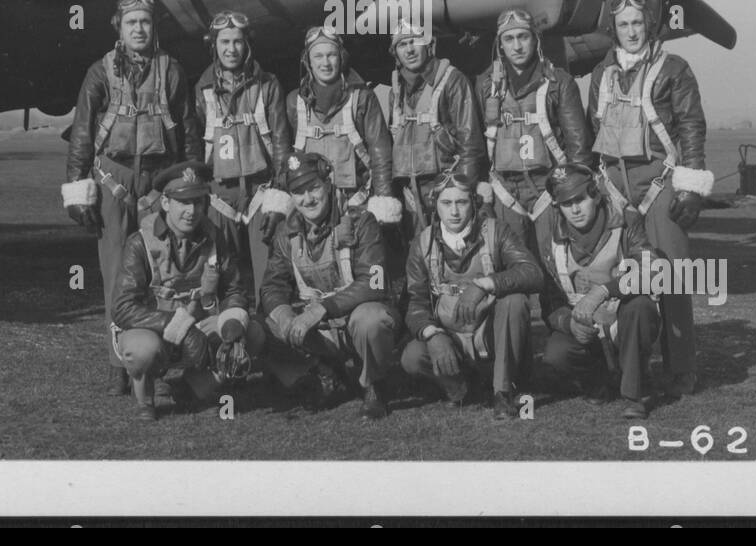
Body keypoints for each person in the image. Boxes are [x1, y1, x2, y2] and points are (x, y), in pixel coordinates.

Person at [61, 0, 200, 397]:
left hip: (159, 186)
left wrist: (189, 185)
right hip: (112, 182)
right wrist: (76, 189)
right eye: (131, 22)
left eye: (145, 21)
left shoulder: (171, 71)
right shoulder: (100, 72)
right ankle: (116, 362)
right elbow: (83, 133)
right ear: (119, 29)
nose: (139, 29)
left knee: (161, 276)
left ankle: (155, 358)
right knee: (116, 277)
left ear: (153, 27)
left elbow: (188, 132)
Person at [586, 0, 713, 396]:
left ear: (650, 25)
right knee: (611, 279)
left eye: (637, 23)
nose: (631, 31)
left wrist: (691, 186)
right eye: (623, 25)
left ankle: (681, 367)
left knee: (672, 275)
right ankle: (621, 367)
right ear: (614, 30)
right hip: (613, 186)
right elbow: (594, 130)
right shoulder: (600, 75)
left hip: (660, 181)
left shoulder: (674, 69)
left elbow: (691, 125)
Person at [112, 161, 263, 421]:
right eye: (183, 202)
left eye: (197, 202)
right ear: (166, 203)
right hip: (155, 329)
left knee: (253, 332)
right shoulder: (140, 243)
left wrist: (232, 324)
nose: (192, 211)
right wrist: (180, 327)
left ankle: (194, 386)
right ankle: (145, 398)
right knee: (142, 350)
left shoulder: (215, 238)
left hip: (200, 323)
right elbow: (123, 308)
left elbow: (234, 289)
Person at [258, 151, 399, 420]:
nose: (308, 199)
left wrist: (322, 308)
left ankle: (373, 385)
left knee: (371, 319)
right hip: (319, 330)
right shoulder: (285, 233)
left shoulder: (362, 221)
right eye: (298, 192)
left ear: (328, 184)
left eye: (314, 188)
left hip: (353, 321)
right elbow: (271, 287)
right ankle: (323, 370)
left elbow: (375, 282)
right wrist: (287, 318)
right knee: (265, 323)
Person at [400, 172, 544, 420]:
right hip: (452, 337)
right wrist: (431, 334)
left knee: (515, 301)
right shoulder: (422, 244)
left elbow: (532, 272)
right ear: (435, 206)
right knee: (412, 356)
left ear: (474, 203)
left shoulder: (496, 231)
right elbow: (416, 301)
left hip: (491, 336)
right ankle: (461, 389)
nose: (454, 211)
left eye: (462, 202)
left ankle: (503, 391)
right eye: (446, 203)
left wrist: (484, 284)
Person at [537, 163, 662, 419]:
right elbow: (549, 302)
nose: (574, 209)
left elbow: (655, 270)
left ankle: (635, 393)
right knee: (555, 355)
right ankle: (598, 381)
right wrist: (568, 323)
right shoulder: (550, 238)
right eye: (566, 203)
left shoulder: (626, 221)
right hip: (584, 324)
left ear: (594, 194)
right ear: (557, 206)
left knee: (640, 306)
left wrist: (604, 291)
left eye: (580, 199)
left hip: (621, 319)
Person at [475, 8, 592, 256]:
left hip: (549, 185)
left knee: (556, 261)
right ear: (500, 45)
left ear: (535, 39)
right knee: (512, 265)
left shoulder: (559, 82)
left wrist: (575, 190)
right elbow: (475, 140)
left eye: (523, 37)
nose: (517, 46)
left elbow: (577, 143)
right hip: (504, 188)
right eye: (509, 38)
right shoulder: (485, 85)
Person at [190, 10, 291, 295]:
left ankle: (269, 333)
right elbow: (196, 143)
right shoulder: (203, 89)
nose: (231, 49)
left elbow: (281, 141)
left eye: (237, 42)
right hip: (220, 193)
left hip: (261, 191)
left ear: (246, 44)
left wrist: (279, 193)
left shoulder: (268, 85)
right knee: (222, 274)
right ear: (214, 46)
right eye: (224, 42)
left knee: (269, 275)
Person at [286, 25, 401, 228]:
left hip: (356, 203)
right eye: (318, 56)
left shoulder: (362, 97)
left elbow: (380, 151)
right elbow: (286, 156)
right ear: (308, 62)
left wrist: (383, 201)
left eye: (331, 55)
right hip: (313, 207)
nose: (325, 63)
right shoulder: (295, 102)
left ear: (341, 58)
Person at [387, 19, 485, 238]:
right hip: (411, 195)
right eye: (402, 45)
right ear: (395, 53)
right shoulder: (396, 91)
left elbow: (470, 144)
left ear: (429, 45)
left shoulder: (452, 81)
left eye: (415, 42)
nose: (410, 50)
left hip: (447, 191)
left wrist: (462, 194)